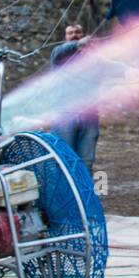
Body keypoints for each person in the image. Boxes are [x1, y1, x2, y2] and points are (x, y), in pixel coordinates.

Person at [49, 23, 101, 169]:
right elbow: (60, 50)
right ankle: (63, 191)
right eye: (70, 33)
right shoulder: (58, 56)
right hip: (64, 114)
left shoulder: (92, 58)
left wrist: (127, 70)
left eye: (78, 32)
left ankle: (84, 191)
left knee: (86, 161)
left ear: (83, 34)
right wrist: (77, 44)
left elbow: (107, 64)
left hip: (90, 116)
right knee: (63, 158)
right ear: (65, 37)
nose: (74, 35)